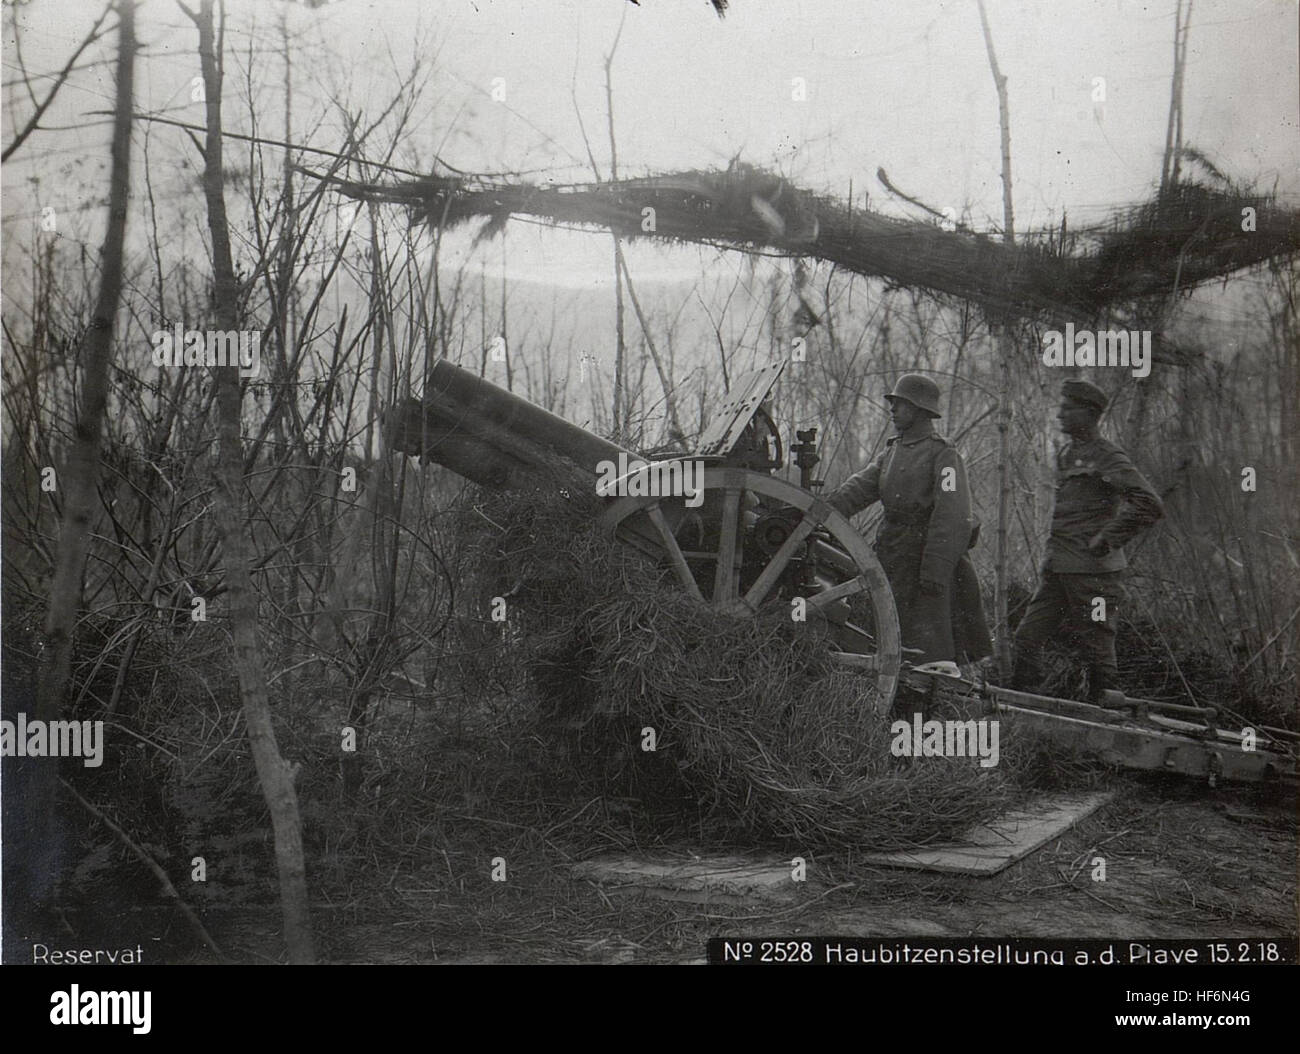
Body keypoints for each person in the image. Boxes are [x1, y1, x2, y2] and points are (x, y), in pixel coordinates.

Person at [1011, 379, 1163, 703]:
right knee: (1026, 638)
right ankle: (1019, 712)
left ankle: (1108, 726)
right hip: (1059, 569)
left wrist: (1108, 538)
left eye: (1068, 408)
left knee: (1098, 650)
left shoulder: (1107, 457)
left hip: (1094, 576)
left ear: (1090, 413)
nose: (1059, 414)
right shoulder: (1068, 453)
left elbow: (1149, 502)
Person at [826, 374, 991, 670]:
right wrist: (820, 511)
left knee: (929, 650)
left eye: (900, 404)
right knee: (890, 637)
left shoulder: (943, 454)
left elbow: (952, 516)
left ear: (920, 409)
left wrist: (935, 570)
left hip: (925, 560)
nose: (892, 409)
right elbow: (859, 489)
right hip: (891, 555)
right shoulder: (892, 451)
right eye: (893, 403)